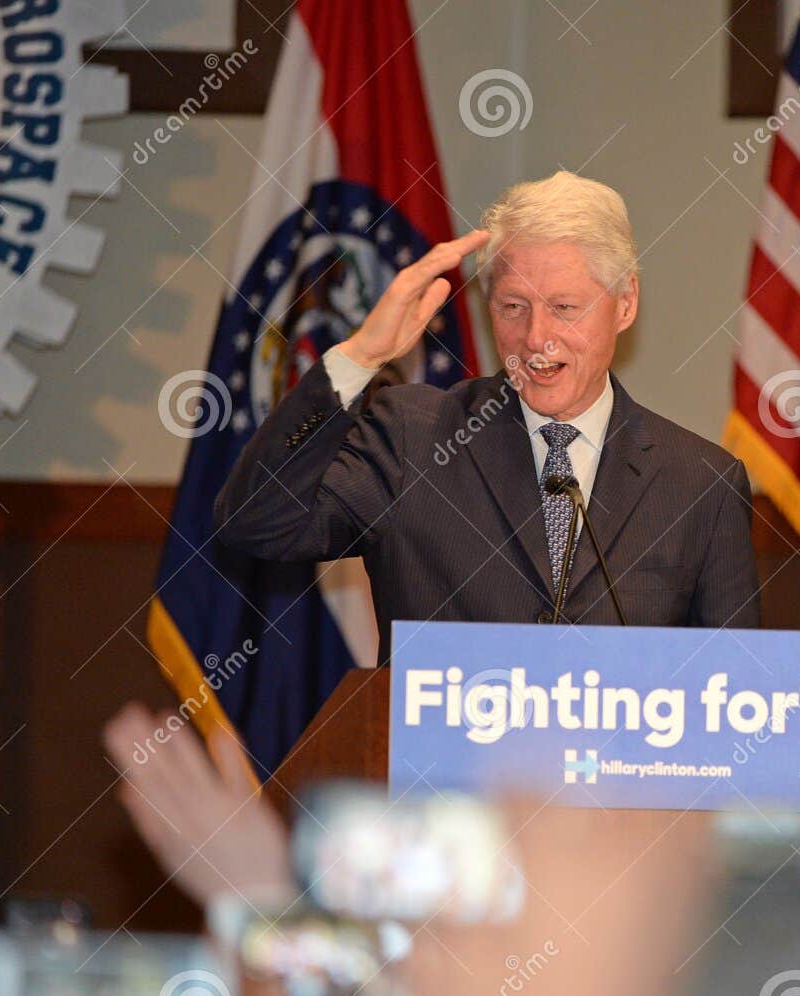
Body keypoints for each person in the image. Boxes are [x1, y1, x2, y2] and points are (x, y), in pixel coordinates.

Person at [214, 171, 760, 651]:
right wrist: (360, 358)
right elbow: (256, 522)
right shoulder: (411, 437)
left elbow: (736, 694)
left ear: (625, 304)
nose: (535, 337)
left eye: (564, 308)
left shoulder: (702, 485)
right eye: (512, 308)